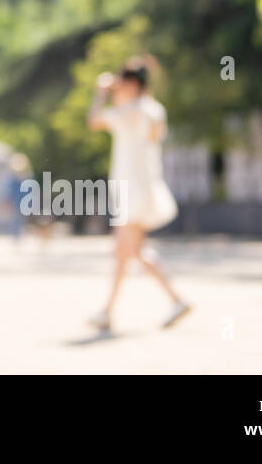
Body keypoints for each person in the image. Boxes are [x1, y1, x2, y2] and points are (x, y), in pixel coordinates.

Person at [85, 56, 191, 333]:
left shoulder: (128, 112)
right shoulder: (154, 110)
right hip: (145, 189)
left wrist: (101, 92)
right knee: (127, 251)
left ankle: (172, 300)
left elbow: (94, 121)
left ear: (132, 83)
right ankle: (109, 311)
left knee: (127, 250)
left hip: (131, 192)